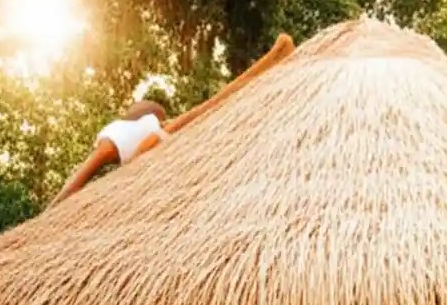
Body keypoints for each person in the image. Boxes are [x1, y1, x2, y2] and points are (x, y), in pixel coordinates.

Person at [45, 32, 297, 209]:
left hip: (153, 140)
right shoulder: (128, 133)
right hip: (153, 141)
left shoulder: (114, 135)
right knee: (210, 106)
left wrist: (55, 206)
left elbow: (80, 177)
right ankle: (274, 58)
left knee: (210, 107)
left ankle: (275, 56)